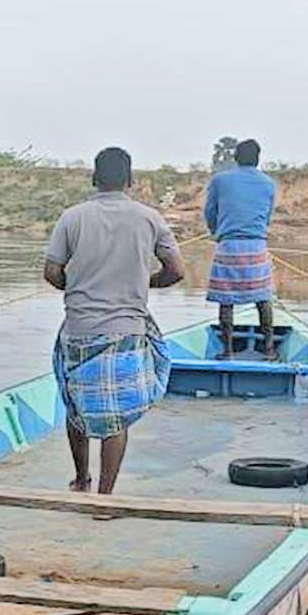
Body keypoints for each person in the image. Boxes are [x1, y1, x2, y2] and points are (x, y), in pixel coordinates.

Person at [43, 147, 185, 495]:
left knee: (75, 404)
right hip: (126, 330)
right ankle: (105, 496)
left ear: (94, 179)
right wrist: (145, 282)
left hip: (79, 329)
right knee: (115, 415)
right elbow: (176, 272)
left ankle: (81, 480)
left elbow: (51, 273)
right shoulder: (149, 218)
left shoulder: (71, 218)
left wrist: (75, 286)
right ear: (130, 181)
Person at [204, 138, 278, 359]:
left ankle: (227, 351)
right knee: (263, 299)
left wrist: (216, 232)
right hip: (257, 246)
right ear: (258, 159)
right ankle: (270, 350)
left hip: (228, 245)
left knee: (226, 300)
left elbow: (210, 212)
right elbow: (267, 218)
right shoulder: (269, 183)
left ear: (235, 158)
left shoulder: (220, 180)